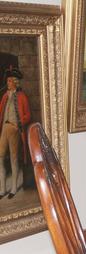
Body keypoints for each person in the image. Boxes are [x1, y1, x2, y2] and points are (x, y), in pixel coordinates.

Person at [0, 66, 31, 199]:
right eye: (7, 81)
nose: (7, 83)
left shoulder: (22, 96)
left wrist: (18, 125)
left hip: (14, 129)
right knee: (0, 157)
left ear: (15, 82)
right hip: (4, 129)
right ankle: (2, 189)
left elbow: (27, 115)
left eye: (9, 81)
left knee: (14, 158)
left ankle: (13, 188)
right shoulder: (4, 96)